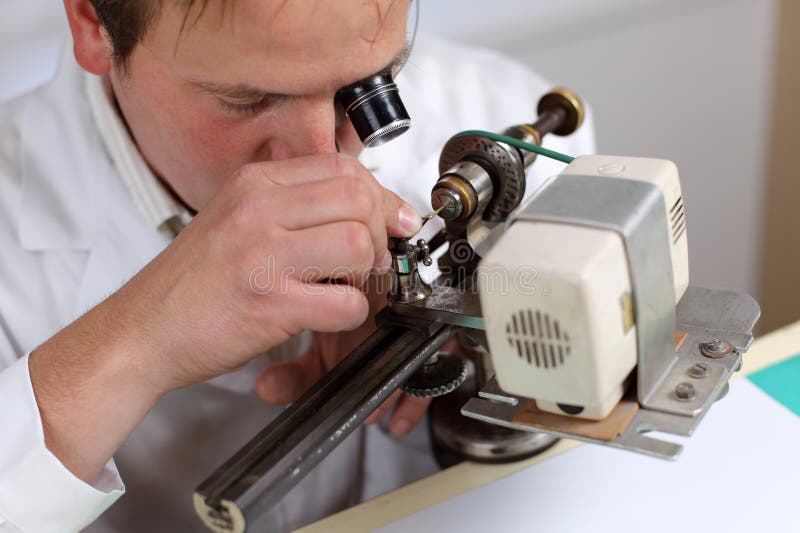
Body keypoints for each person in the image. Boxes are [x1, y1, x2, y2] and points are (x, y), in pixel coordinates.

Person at [0, 1, 595, 531]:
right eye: (246, 100)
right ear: (91, 20)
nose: (326, 164)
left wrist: (479, 348)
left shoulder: (503, 116)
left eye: (371, 88)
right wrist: (137, 340)